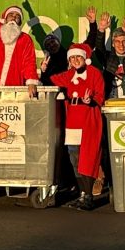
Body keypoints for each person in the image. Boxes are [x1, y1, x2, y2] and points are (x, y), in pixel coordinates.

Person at [50, 43, 105, 211]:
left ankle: (88, 196)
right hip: (72, 122)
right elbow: (52, 79)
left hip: (88, 120)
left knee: (87, 158)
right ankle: (82, 194)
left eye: (78, 57)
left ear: (84, 58)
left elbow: (100, 95)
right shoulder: (70, 74)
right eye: (72, 58)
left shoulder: (94, 73)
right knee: (74, 158)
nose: (75, 60)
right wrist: (45, 70)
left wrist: (91, 100)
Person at [85, 8, 125, 99]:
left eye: (124, 41)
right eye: (117, 41)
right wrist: (101, 29)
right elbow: (99, 48)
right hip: (110, 102)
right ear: (113, 44)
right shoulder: (108, 58)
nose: (121, 45)